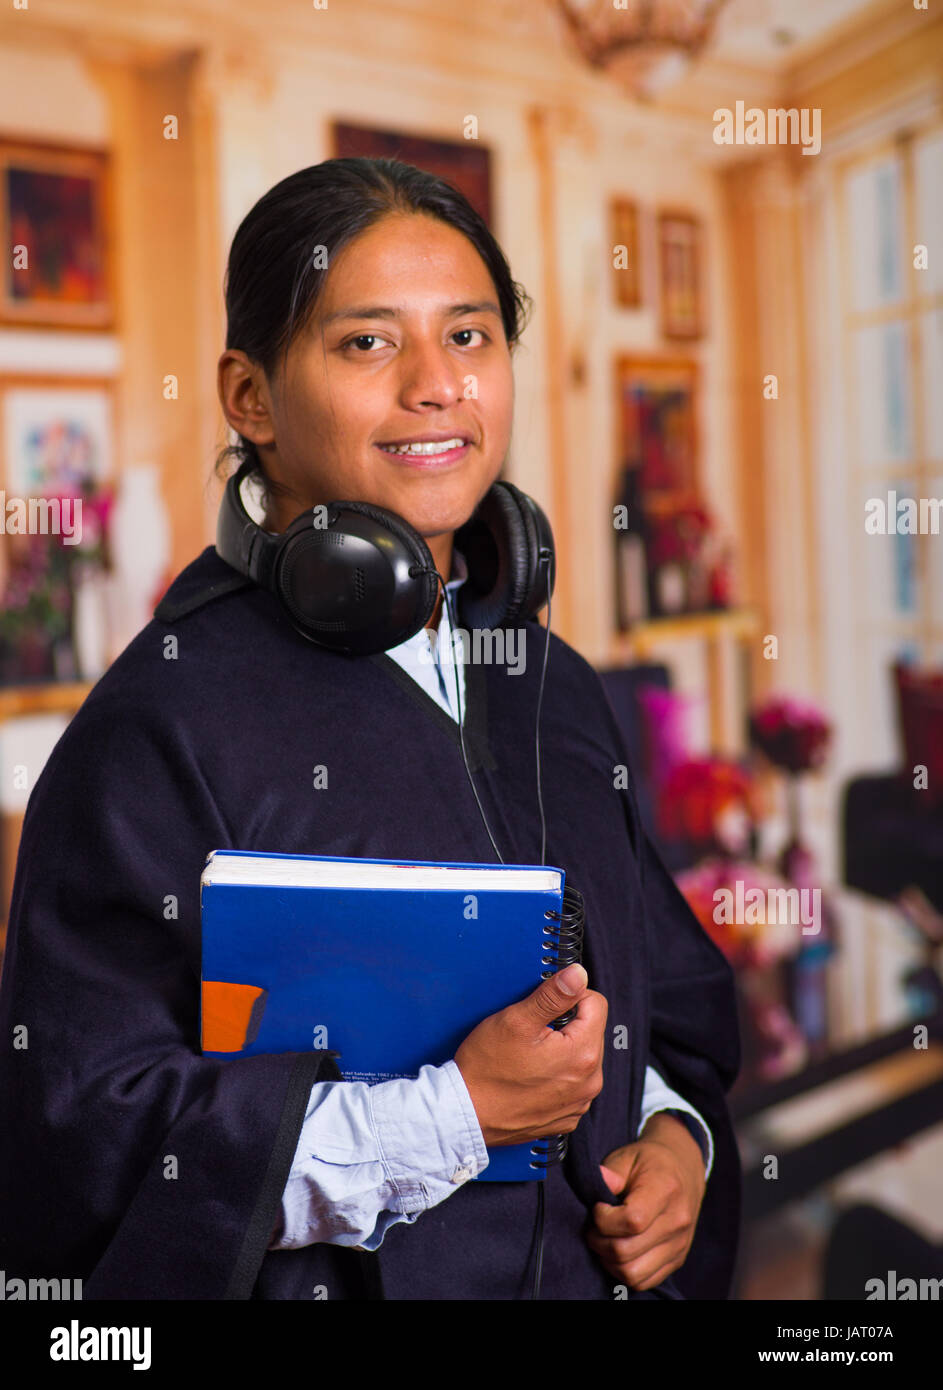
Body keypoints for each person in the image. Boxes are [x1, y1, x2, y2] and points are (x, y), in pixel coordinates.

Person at [0, 158, 741, 1301]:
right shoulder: (158, 724)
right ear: (250, 398)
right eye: (367, 343)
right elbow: (78, 1148)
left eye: (470, 335)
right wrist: (453, 1116)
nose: (438, 386)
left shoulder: (556, 688)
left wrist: (679, 1142)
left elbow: (669, 1016)